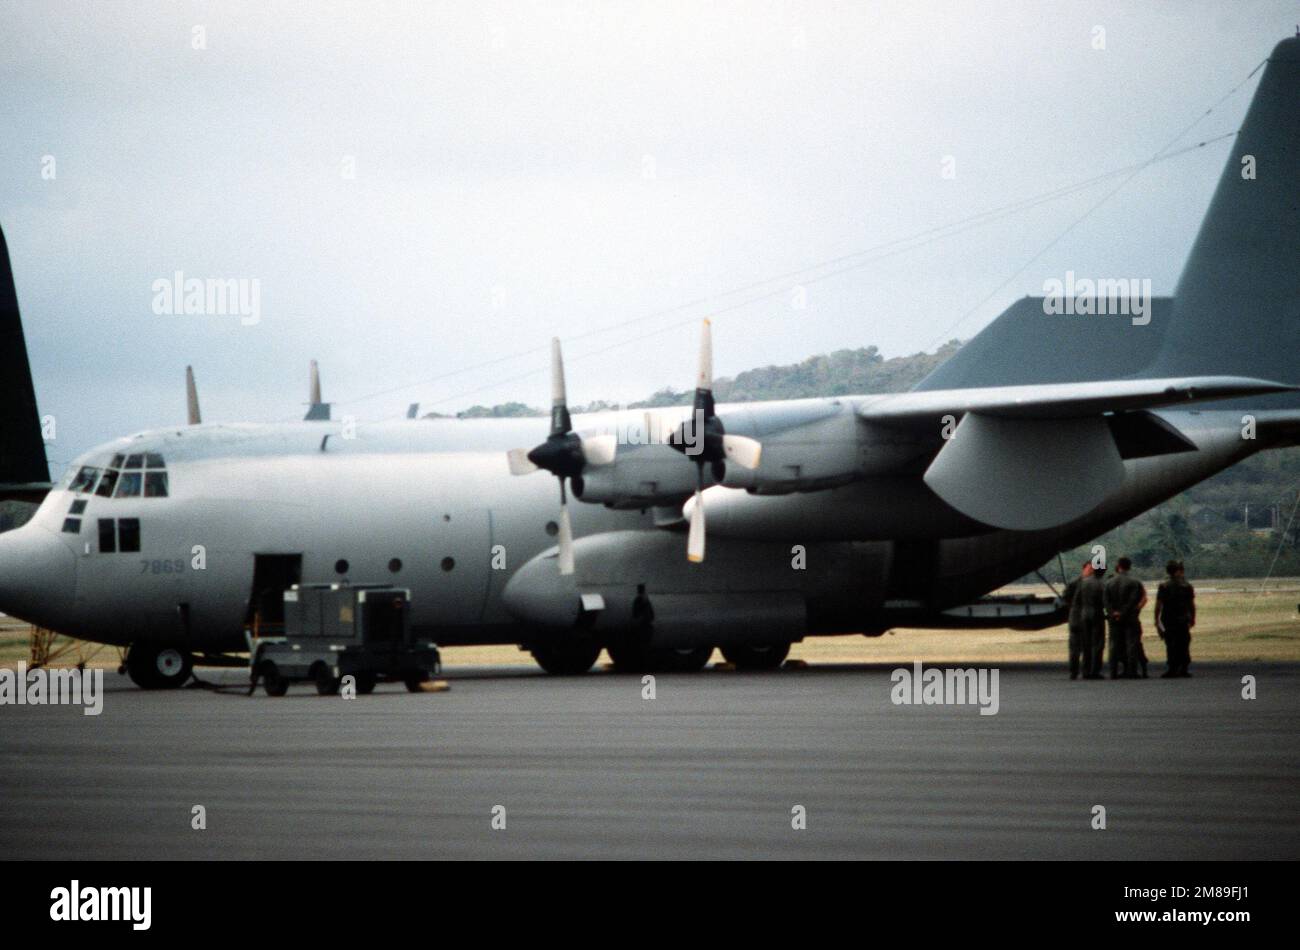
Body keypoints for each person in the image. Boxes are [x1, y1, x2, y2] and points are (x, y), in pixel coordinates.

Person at [1104, 557, 1147, 679]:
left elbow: (1106, 601)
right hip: (1130, 618)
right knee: (1131, 644)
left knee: (1113, 644)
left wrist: (1113, 613)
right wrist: (1123, 613)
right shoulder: (1134, 582)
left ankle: (1113, 672)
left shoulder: (1109, 582)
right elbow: (1134, 600)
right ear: (1129, 566)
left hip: (1113, 619)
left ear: (1118, 566)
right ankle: (1131, 672)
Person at [1155, 560, 1196, 677]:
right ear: (1178, 571)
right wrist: (1193, 617)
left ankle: (1172, 667)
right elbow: (1191, 604)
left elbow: (1158, 605)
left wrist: (1156, 620)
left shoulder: (1163, 586)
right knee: (1184, 642)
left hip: (1168, 618)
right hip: (1183, 618)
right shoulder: (1187, 586)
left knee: (1170, 643)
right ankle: (1184, 667)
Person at [1063, 562, 1090, 679]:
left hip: (1084, 619)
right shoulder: (1075, 583)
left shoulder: (1089, 582)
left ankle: (1085, 671)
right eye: (1090, 569)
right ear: (1084, 568)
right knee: (1075, 648)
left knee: (1087, 647)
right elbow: (1065, 596)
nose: (1092, 571)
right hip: (1077, 619)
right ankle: (1074, 671)